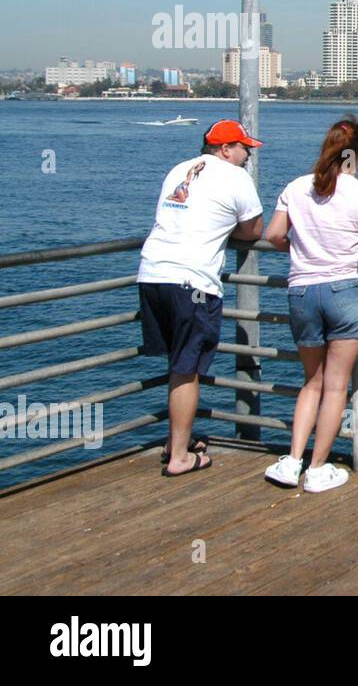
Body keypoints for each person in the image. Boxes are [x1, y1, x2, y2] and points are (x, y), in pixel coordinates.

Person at [263, 114, 358, 493]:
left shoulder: (296, 187)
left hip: (302, 291)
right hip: (346, 290)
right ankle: (318, 468)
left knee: (311, 383)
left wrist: (301, 249)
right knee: (336, 387)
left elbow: (273, 235)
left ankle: (292, 460)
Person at [138, 119, 265, 477]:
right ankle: (178, 455)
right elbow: (253, 228)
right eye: (245, 149)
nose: (248, 157)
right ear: (225, 149)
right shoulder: (236, 178)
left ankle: (176, 439)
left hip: (152, 274)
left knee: (177, 364)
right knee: (187, 368)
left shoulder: (178, 169)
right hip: (191, 281)